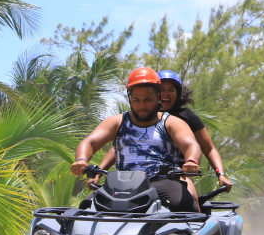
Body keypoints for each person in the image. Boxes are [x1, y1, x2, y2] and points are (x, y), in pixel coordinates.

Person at [71, 67, 201, 212]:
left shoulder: (171, 122)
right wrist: (81, 160)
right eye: (136, 100)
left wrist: (191, 161)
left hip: (162, 182)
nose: (142, 106)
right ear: (130, 99)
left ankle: (185, 234)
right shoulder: (117, 122)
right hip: (122, 185)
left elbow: (191, 145)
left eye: (147, 100)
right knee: (86, 207)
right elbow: (90, 142)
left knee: (183, 204)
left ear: (158, 98)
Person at [94, 70, 232, 193]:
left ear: (178, 92)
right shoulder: (140, 116)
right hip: (134, 177)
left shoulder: (185, 116)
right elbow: (123, 145)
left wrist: (220, 174)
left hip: (177, 174)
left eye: (171, 90)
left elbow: (208, 149)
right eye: (162, 89)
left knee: (187, 196)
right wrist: (98, 173)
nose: (166, 94)